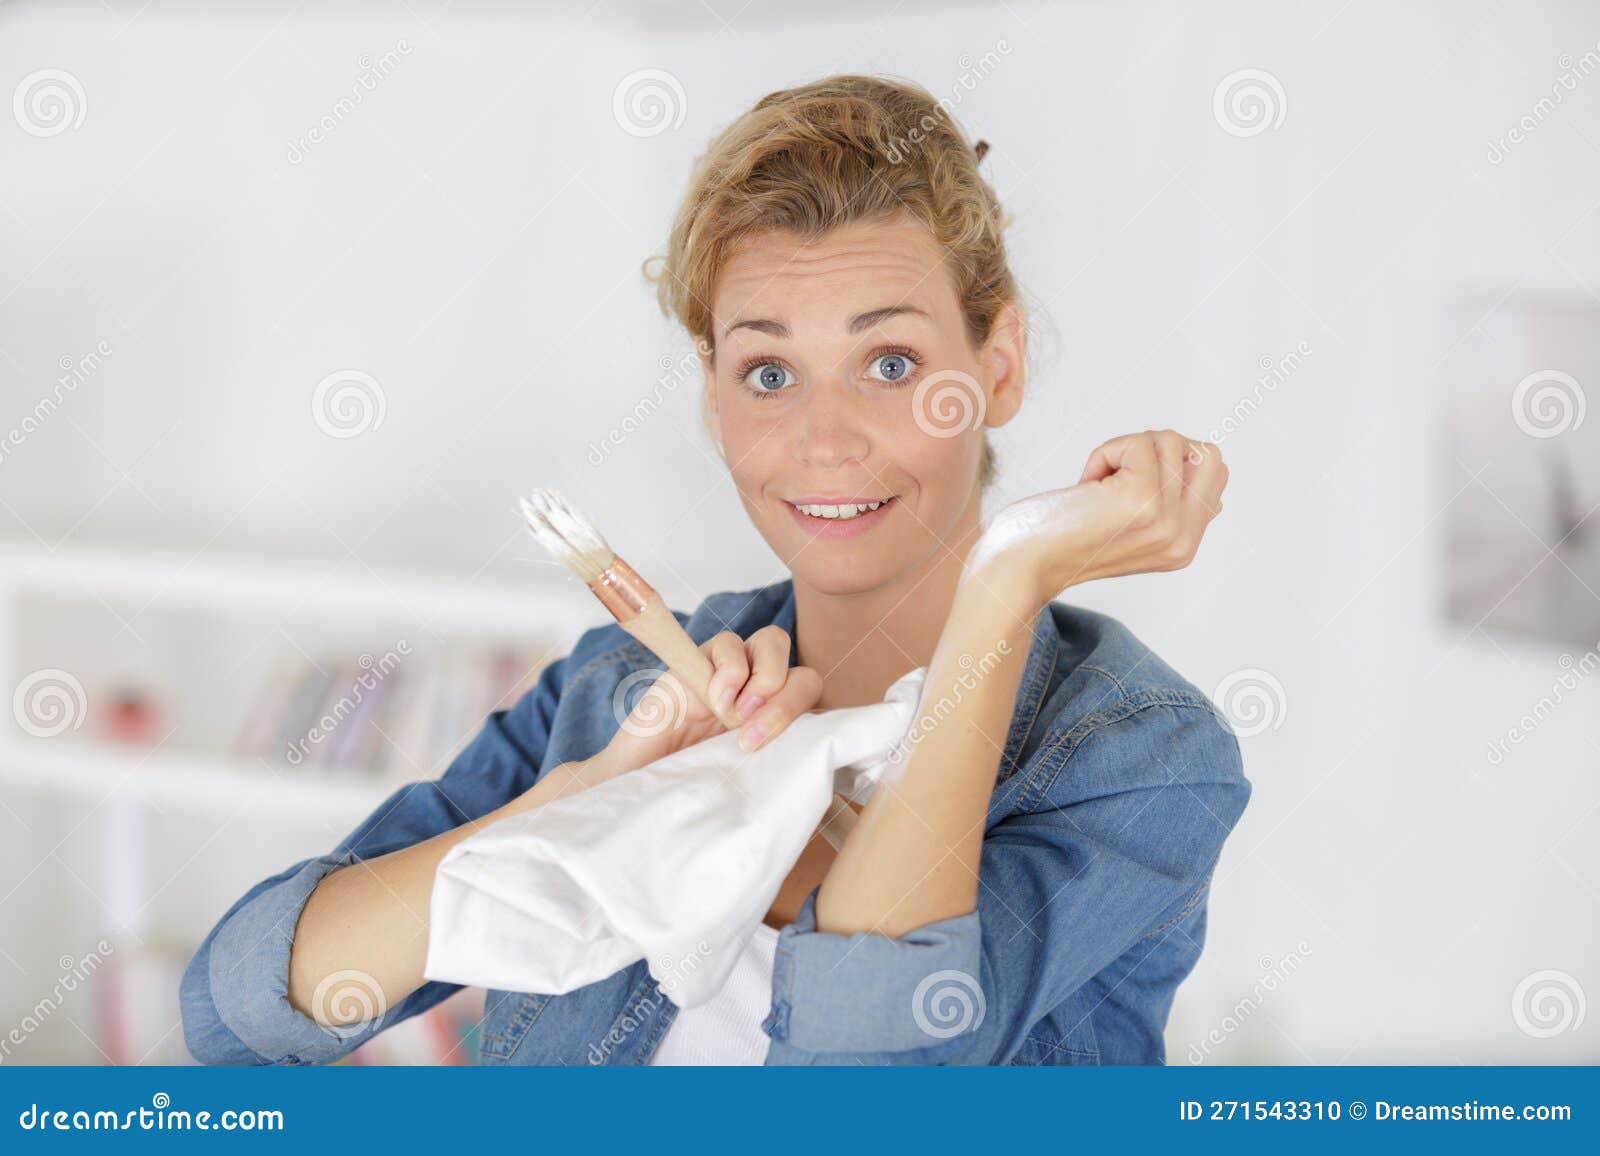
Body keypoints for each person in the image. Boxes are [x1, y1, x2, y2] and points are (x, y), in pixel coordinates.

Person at [181, 74, 1247, 1066]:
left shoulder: (1139, 752)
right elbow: (237, 1011)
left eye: (889, 363)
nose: (824, 439)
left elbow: (866, 1078)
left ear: (997, 366)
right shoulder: (610, 695)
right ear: (711, 389)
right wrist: (583, 796)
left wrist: (1006, 579)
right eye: (769, 371)